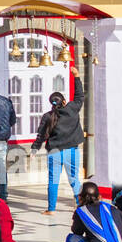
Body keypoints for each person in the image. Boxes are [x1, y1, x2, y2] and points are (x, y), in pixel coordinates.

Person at [29, 77, 85, 214]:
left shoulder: (48, 116)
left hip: (55, 152)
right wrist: (76, 77)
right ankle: (80, 205)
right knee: (74, 179)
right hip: (72, 151)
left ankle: (51, 209)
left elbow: (41, 135)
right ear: (64, 102)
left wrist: (34, 149)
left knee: (53, 180)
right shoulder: (72, 109)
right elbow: (79, 96)